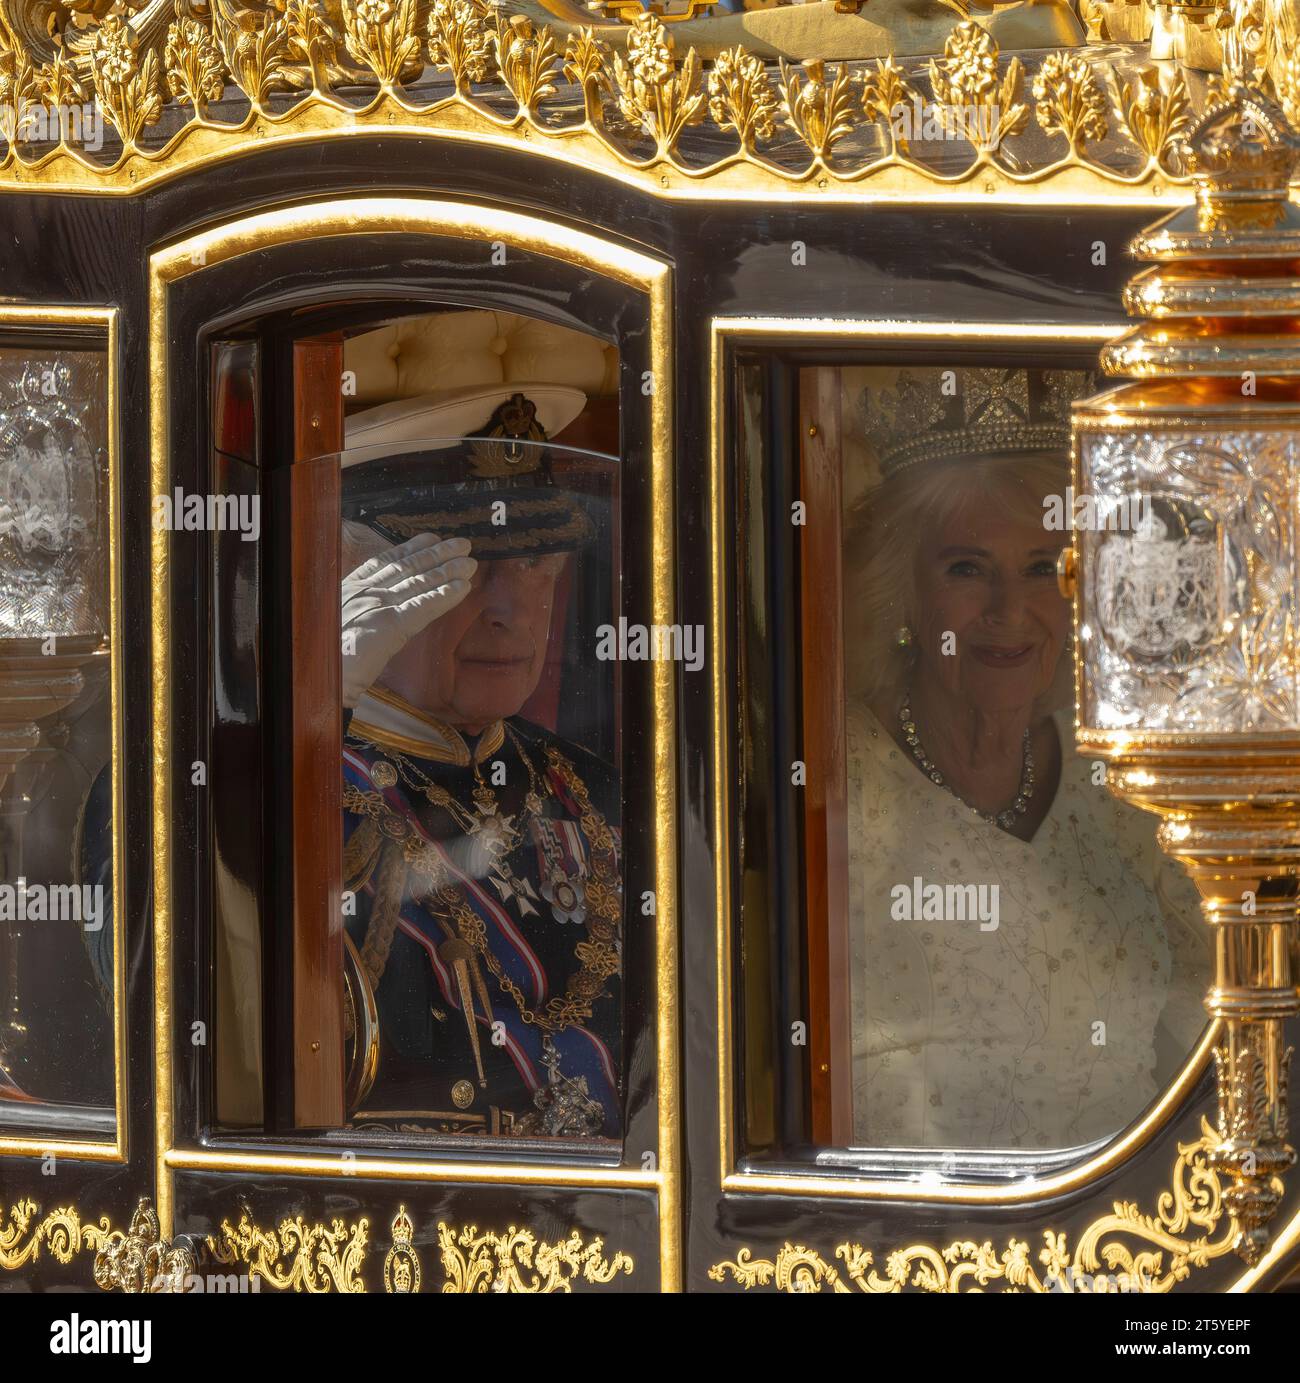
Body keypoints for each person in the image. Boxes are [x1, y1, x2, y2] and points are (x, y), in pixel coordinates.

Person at [844, 366, 1208, 1152]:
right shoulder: (832, 780)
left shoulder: (1126, 770)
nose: (1010, 610)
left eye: (1043, 567)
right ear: (902, 591)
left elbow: (1209, 1020)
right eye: (967, 568)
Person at [338, 390, 623, 1139]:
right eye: (464, 562)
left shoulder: (590, 787)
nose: (508, 607)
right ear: (354, 568)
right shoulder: (292, 790)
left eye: (531, 558)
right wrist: (314, 707)